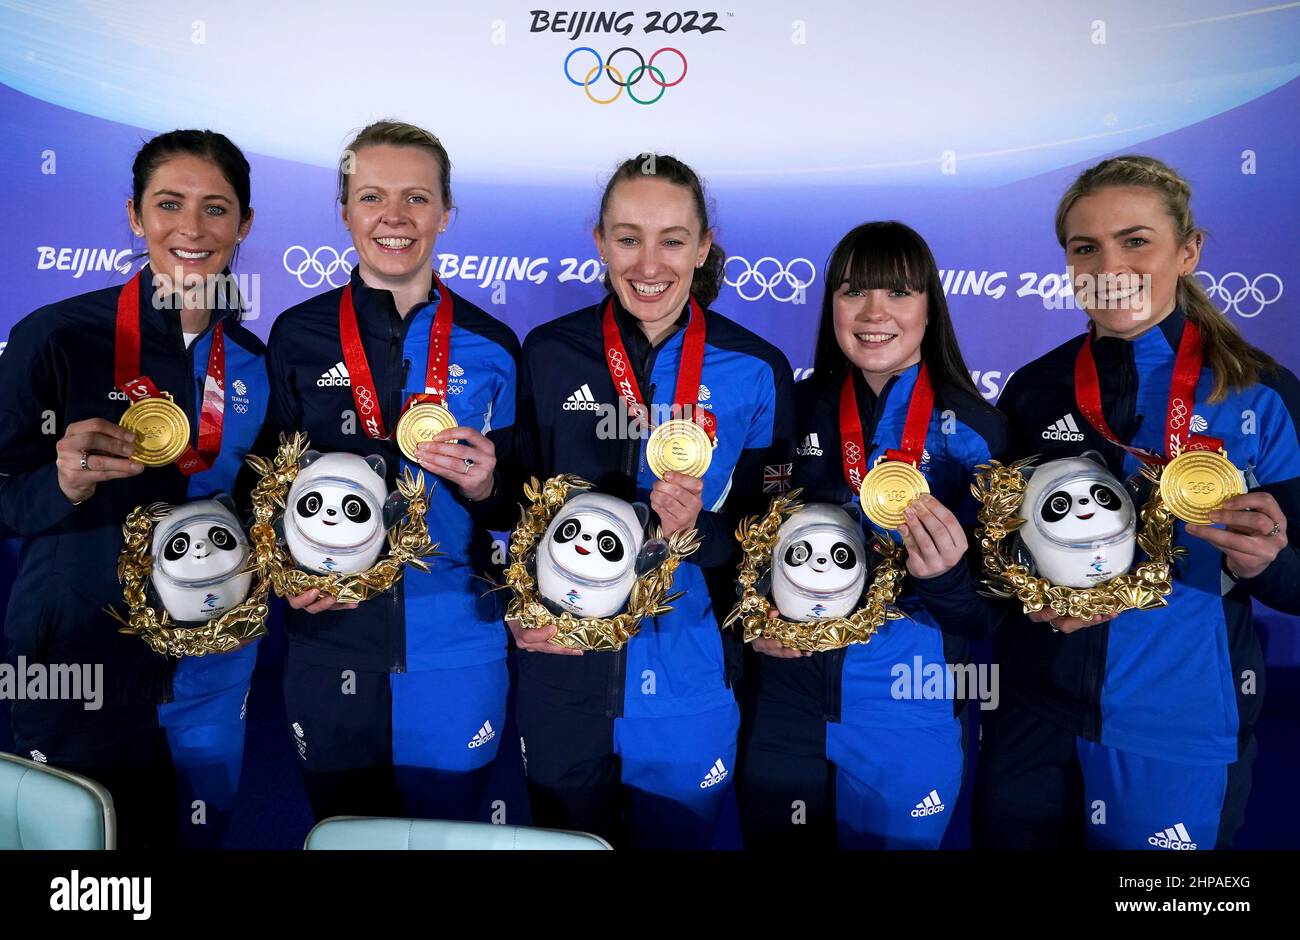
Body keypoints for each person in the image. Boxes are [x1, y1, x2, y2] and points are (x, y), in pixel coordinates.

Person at [976, 155, 1300, 850]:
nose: (1109, 264)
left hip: (1176, 723)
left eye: (1135, 240)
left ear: (1188, 252)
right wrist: (1016, 586)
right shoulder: (1036, 389)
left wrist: (1265, 566)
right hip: (1032, 712)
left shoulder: (1262, 395)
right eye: (1084, 247)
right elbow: (1002, 545)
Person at [510, 153, 796, 848]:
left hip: (690, 677)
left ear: (702, 248)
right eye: (628, 237)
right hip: (563, 663)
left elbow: (769, 540)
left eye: (672, 240)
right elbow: (512, 514)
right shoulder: (549, 353)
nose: (649, 263)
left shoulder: (757, 369)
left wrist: (699, 533)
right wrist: (513, 605)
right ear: (601, 241)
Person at [0, 129, 268, 848]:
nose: (191, 228)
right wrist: (62, 483)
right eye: (169, 204)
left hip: (210, 668)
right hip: (78, 664)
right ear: (133, 215)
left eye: (216, 209)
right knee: (89, 881)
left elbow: (258, 509)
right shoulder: (54, 337)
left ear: (244, 224)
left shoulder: (252, 361)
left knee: (195, 842)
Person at [266, 121, 519, 823]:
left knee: (445, 835)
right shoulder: (297, 334)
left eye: (416, 197)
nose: (394, 218)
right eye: (372, 196)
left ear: (445, 211)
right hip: (332, 633)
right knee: (343, 831)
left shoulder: (494, 344)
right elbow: (265, 487)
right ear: (345, 210)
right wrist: (286, 573)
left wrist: (486, 485)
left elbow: (521, 512)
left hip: (457, 637)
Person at [736, 221, 1009, 849]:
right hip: (785, 697)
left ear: (930, 307)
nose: (873, 312)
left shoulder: (977, 429)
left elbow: (993, 615)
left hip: (909, 701)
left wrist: (946, 581)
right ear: (830, 304)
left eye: (899, 293)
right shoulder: (785, 410)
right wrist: (751, 617)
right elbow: (738, 548)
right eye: (853, 291)